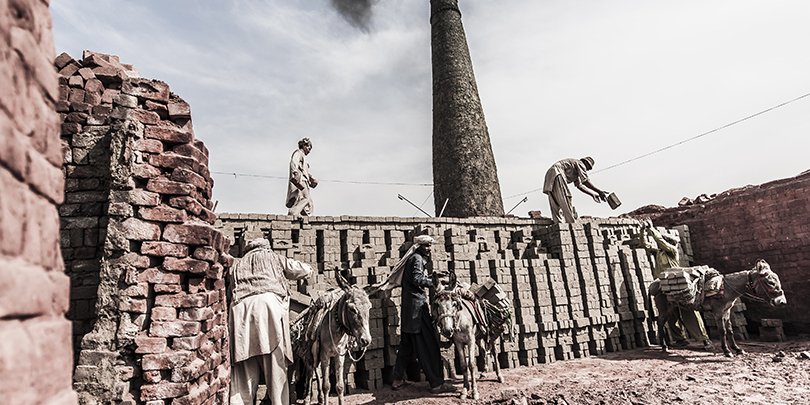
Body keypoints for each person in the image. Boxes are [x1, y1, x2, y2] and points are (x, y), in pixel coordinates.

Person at [229, 238, 313, 405]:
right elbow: (301, 269)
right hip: (269, 311)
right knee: (275, 367)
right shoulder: (273, 257)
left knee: (243, 374)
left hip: (241, 313)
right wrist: (309, 271)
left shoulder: (237, 265)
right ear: (266, 247)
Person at [390, 235, 451, 393]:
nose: (429, 249)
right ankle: (436, 383)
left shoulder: (413, 259)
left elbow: (416, 278)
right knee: (428, 345)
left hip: (408, 311)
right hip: (417, 311)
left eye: (430, 246)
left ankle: (397, 380)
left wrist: (435, 277)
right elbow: (417, 279)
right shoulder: (417, 259)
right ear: (419, 246)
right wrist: (435, 283)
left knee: (406, 346)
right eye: (426, 246)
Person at [642, 219, 713, 351]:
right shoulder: (658, 253)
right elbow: (645, 245)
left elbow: (660, 241)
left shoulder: (672, 251)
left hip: (677, 284)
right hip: (664, 285)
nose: (663, 242)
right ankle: (680, 339)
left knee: (690, 313)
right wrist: (643, 231)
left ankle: (704, 339)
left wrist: (651, 229)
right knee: (670, 315)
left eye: (666, 241)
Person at [542, 156, 609, 223]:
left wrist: (592, 194)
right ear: (585, 162)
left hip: (550, 174)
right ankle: (571, 222)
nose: (588, 170)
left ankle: (558, 222)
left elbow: (580, 186)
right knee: (566, 197)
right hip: (557, 172)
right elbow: (585, 181)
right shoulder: (580, 163)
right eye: (588, 167)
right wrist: (599, 192)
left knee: (556, 201)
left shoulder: (575, 170)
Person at [286, 138, 318, 216]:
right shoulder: (298, 153)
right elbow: (294, 162)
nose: (309, 151)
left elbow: (304, 171)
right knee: (306, 199)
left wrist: (311, 179)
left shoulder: (303, 158)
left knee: (308, 204)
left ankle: (303, 217)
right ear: (304, 145)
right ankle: (293, 212)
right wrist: (295, 172)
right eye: (309, 148)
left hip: (305, 181)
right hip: (301, 181)